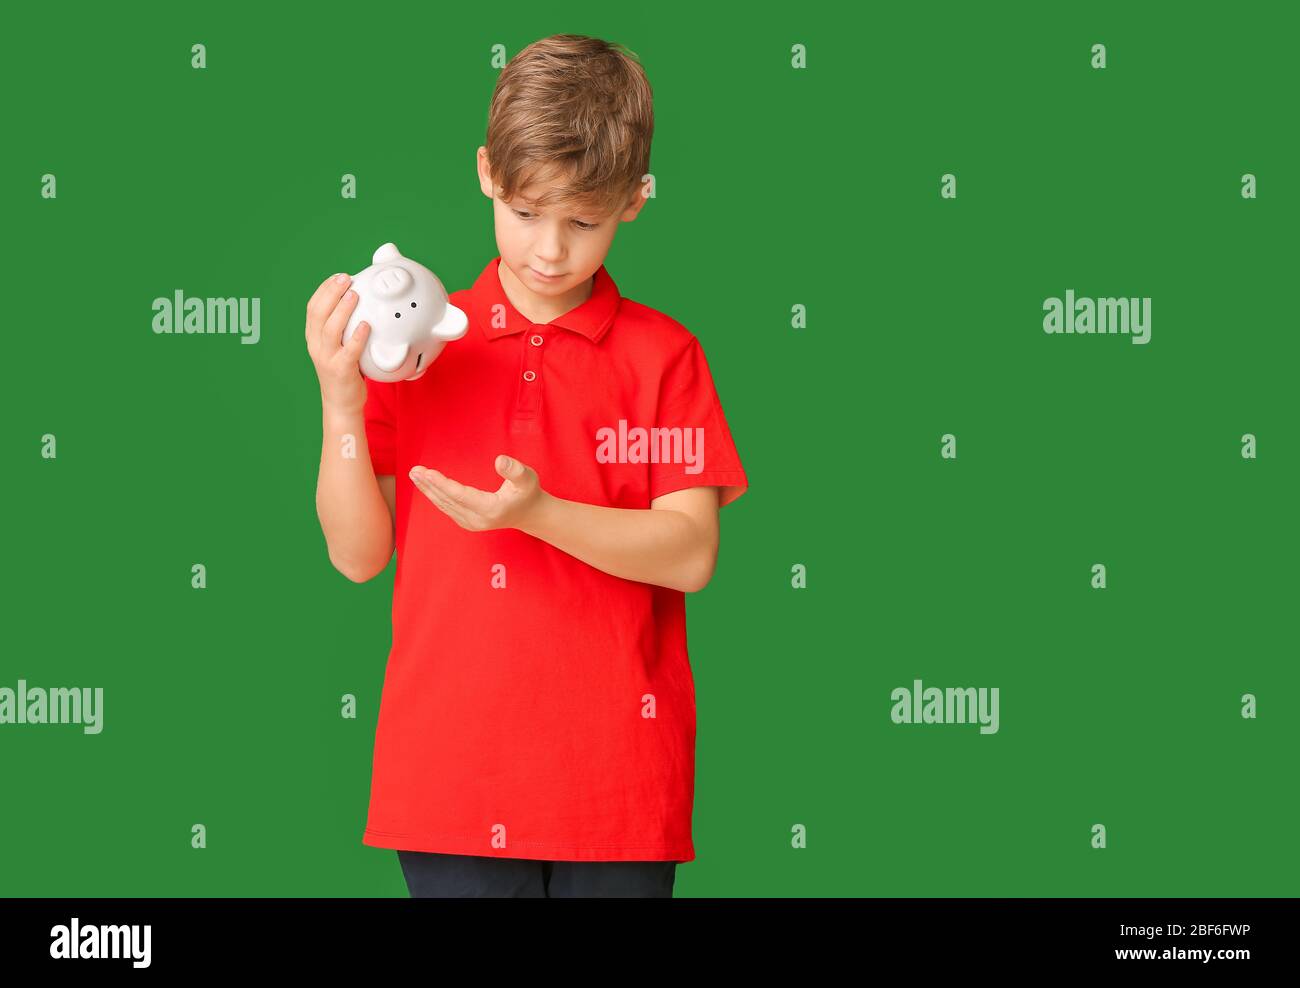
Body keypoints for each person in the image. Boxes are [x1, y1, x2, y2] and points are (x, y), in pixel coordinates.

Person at [307, 34, 748, 897]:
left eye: (583, 222)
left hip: (617, 790)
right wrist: (340, 402)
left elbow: (691, 552)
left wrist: (538, 516)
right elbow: (358, 556)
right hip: (449, 785)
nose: (549, 250)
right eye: (524, 212)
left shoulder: (667, 358)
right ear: (485, 173)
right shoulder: (419, 351)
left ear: (636, 201)